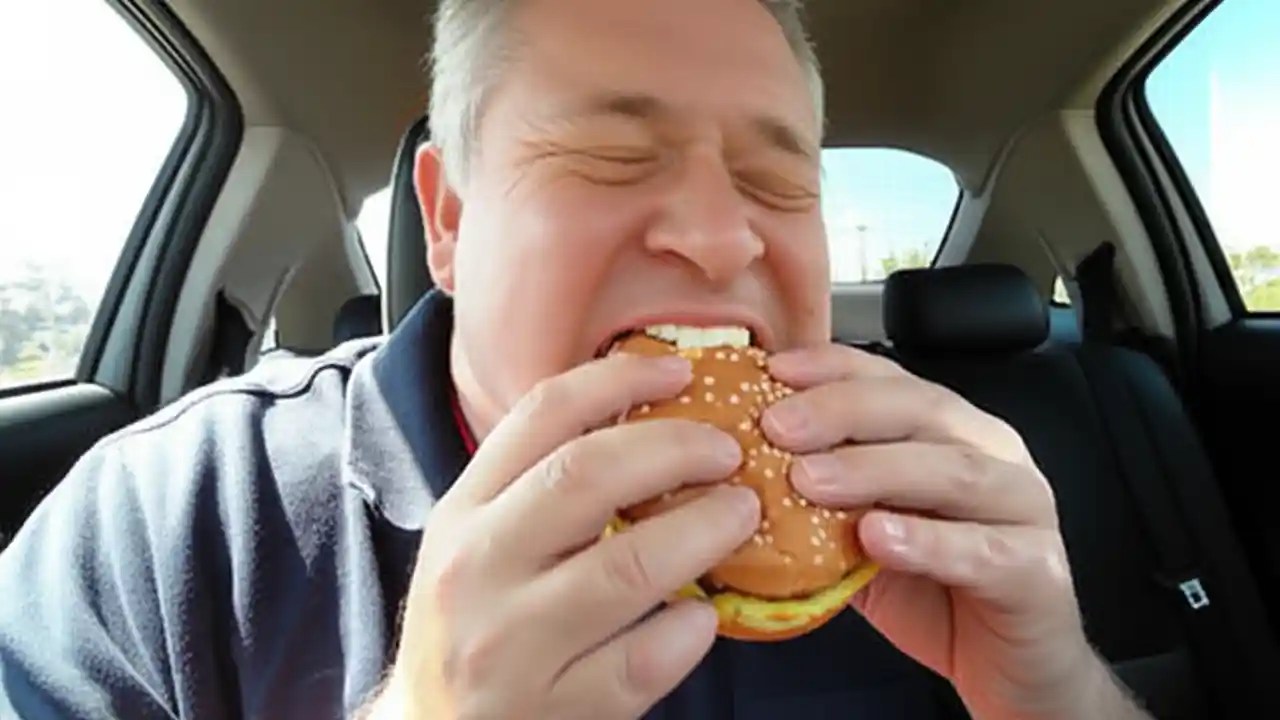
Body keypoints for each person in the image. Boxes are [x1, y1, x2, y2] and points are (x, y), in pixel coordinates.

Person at [0, 0, 1154, 718]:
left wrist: (1052, 701)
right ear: (447, 223)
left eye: (775, 179)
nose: (718, 236)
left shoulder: (942, 523)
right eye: (607, 155)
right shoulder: (169, 525)